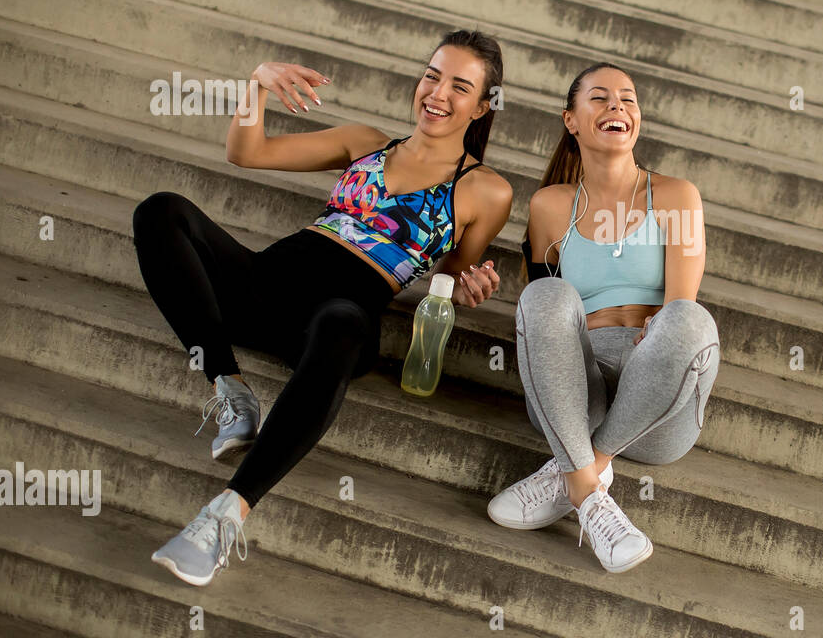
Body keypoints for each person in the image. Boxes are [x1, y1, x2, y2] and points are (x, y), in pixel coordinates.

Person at [133, 30, 512, 586]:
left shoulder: (485, 190)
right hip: (265, 285)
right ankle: (230, 387)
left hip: (335, 323)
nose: (438, 92)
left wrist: (464, 290)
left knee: (340, 320)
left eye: (460, 86)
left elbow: (448, 280)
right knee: (161, 211)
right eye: (433, 75)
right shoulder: (365, 142)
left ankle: (225, 514)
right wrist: (258, 82)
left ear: (481, 107)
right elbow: (247, 152)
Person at [487, 63, 720, 573]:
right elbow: (544, 318)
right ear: (570, 120)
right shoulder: (550, 204)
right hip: (574, 393)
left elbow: (680, 305)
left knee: (690, 320)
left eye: (628, 99)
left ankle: (580, 470)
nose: (618, 106)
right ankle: (592, 494)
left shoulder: (678, 196)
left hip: (656, 399)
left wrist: (652, 337)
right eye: (601, 98)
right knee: (545, 295)